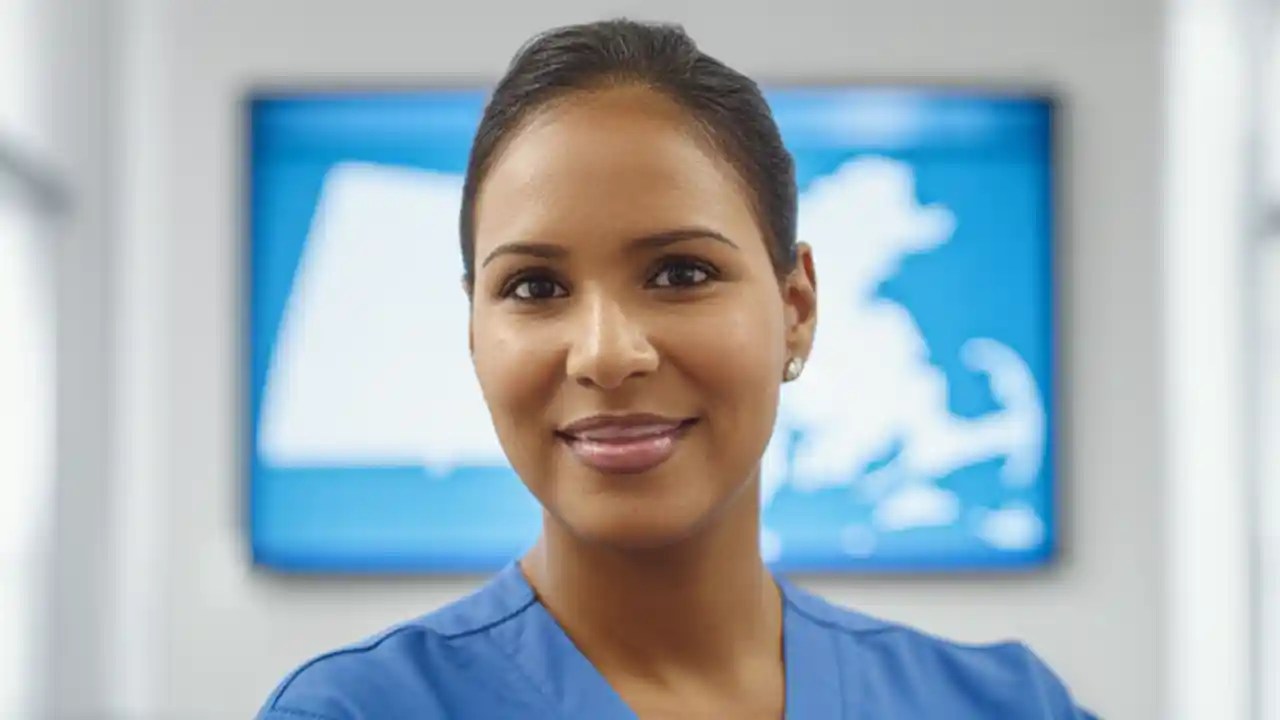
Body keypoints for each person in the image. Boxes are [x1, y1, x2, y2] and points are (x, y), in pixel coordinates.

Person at [257, 18, 1096, 719]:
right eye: (535, 286)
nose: (608, 353)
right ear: (475, 334)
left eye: (680, 273)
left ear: (795, 308)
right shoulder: (356, 712)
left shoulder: (1009, 706)